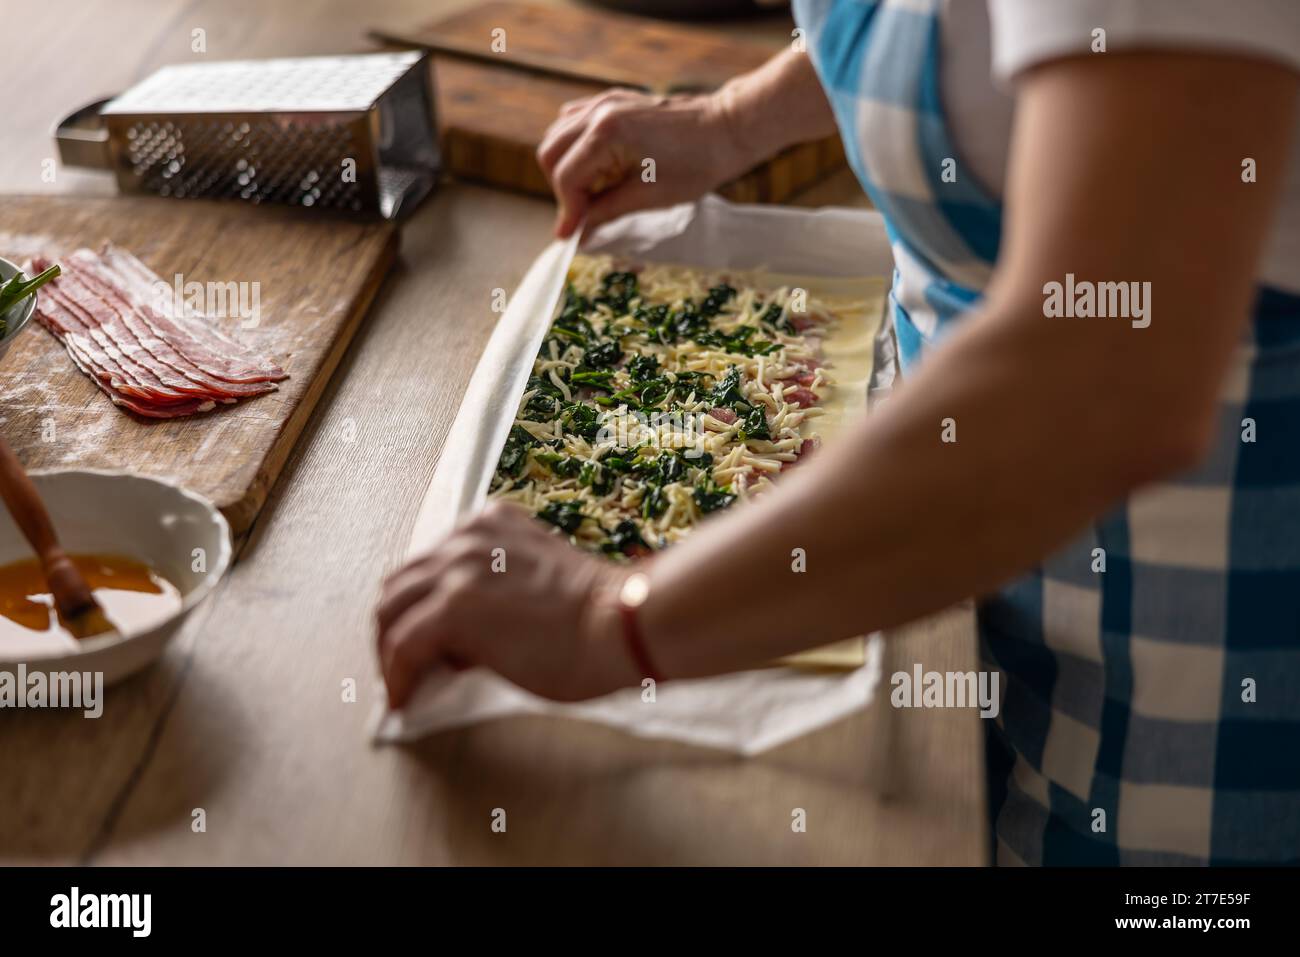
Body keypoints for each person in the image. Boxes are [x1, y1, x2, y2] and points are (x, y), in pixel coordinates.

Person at [377, 0, 1300, 865]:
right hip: (972, 576)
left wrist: (608, 622)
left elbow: (1101, 379)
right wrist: (734, 122)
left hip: (1188, 680)